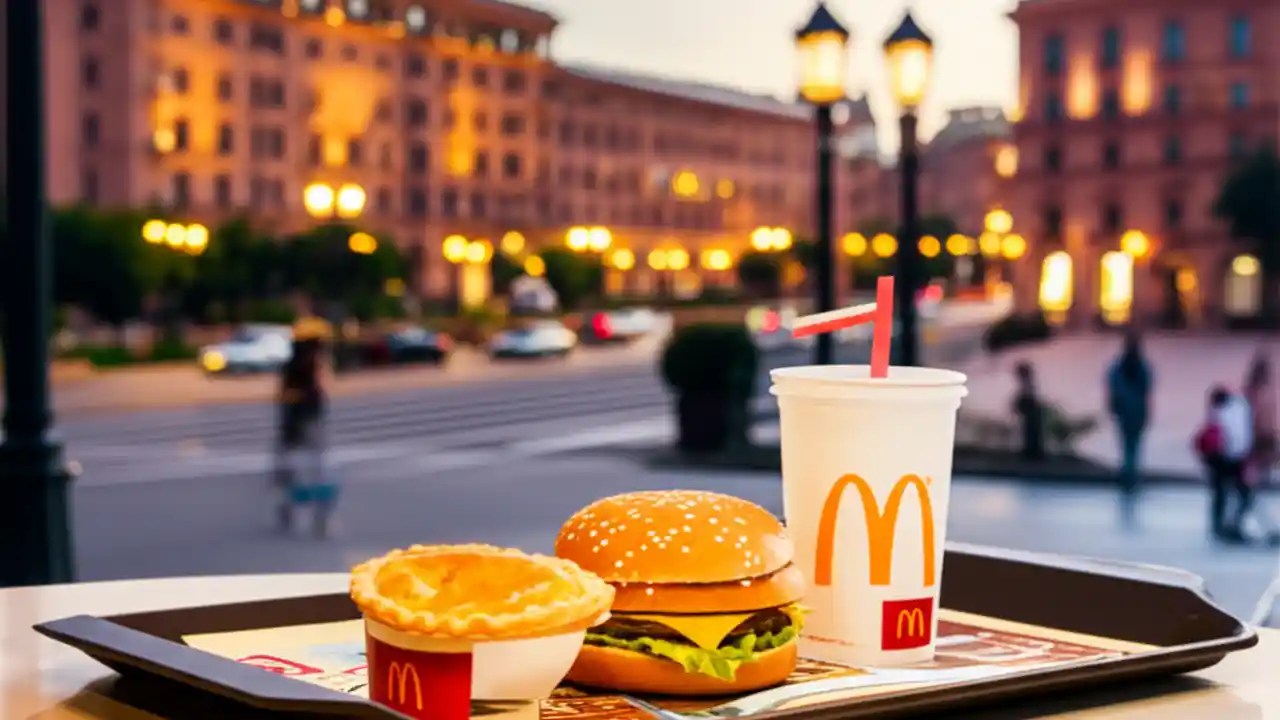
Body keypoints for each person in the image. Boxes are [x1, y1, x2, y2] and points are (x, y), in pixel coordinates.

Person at [274, 317, 338, 538]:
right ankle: (318, 514)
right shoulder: (313, 364)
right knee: (317, 470)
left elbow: (283, 396)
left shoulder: (291, 365)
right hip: (309, 421)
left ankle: (290, 508)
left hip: (293, 423)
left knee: (294, 469)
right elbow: (319, 392)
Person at [1197, 386, 1252, 542]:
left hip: (1226, 459)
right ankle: (1228, 525)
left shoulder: (1224, 411)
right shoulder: (1238, 408)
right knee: (1237, 494)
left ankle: (1224, 526)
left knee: (1227, 494)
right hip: (1231, 459)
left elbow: (1233, 437)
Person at [1106, 332, 1152, 493]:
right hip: (1137, 409)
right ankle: (1131, 473)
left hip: (1124, 410)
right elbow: (1147, 389)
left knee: (1126, 443)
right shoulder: (1143, 367)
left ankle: (1127, 472)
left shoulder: (1118, 367)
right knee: (1135, 444)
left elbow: (1112, 386)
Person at [1011, 361, 1045, 460]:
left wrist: (1019, 404)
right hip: (1031, 410)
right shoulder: (1027, 382)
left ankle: (1033, 453)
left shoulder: (1027, 382)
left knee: (1031, 431)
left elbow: (1028, 396)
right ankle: (1032, 452)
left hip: (1032, 411)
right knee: (1030, 431)